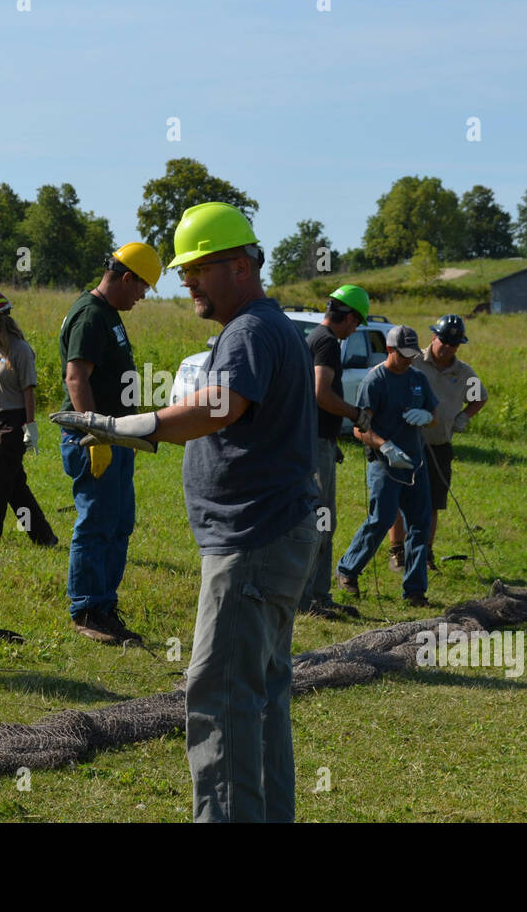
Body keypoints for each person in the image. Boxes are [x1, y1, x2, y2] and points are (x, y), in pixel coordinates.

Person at [53, 202, 319, 823]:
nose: (185, 282)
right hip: (271, 536)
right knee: (262, 693)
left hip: (251, 540)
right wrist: (137, 430)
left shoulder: (249, 330)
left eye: (196, 268)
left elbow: (217, 408)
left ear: (238, 266)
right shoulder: (269, 327)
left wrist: (118, 426)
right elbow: (216, 410)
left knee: (222, 693)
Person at [56, 242, 162, 645]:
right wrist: (94, 433)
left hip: (118, 437)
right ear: (125, 277)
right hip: (93, 439)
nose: (142, 296)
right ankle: (85, 609)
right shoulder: (90, 315)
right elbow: (76, 377)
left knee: (118, 522)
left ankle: (104, 607)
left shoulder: (109, 314)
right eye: (141, 287)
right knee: (96, 521)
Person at [335, 326, 437, 608]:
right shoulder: (375, 381)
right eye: (403, 355)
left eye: (412, 355)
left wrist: (426, 416)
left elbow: (435, 418)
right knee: (381, 519)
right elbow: (360, 428)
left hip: (415, 463)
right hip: (385, 464)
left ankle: (415, 590)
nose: (408, 361)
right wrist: (386, 446)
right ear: (390, 350)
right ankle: (347, 570)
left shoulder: (417, 378)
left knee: (420, 523)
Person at [387, 313, 487, 570]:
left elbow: (479, 397)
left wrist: (465, 416)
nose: (448, 348)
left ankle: (425, 553)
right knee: (399, 498)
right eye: (444, 341)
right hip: (408, 442)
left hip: (439, 445)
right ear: (433, 337)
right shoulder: (414, 362)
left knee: (432, 502)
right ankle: (397, 551)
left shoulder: (463, 372)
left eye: (454, 344)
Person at [301, 285, 371, 620]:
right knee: (320, 520)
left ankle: (316, 594)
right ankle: (310, 598)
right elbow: (320, 393)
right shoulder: (327, 342)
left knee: (322, 519)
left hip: (317, 441)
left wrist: (332, 442)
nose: (354, 330)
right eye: (356, 323)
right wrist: (355, 414)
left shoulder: (316, 337)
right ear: (349, 316)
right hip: (314, 444)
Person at [0, 288, 56, 546]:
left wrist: (30, 425)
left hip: (12, 424)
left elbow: (28, 389)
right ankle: (44, 538)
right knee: (14, 487)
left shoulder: (21, 350)